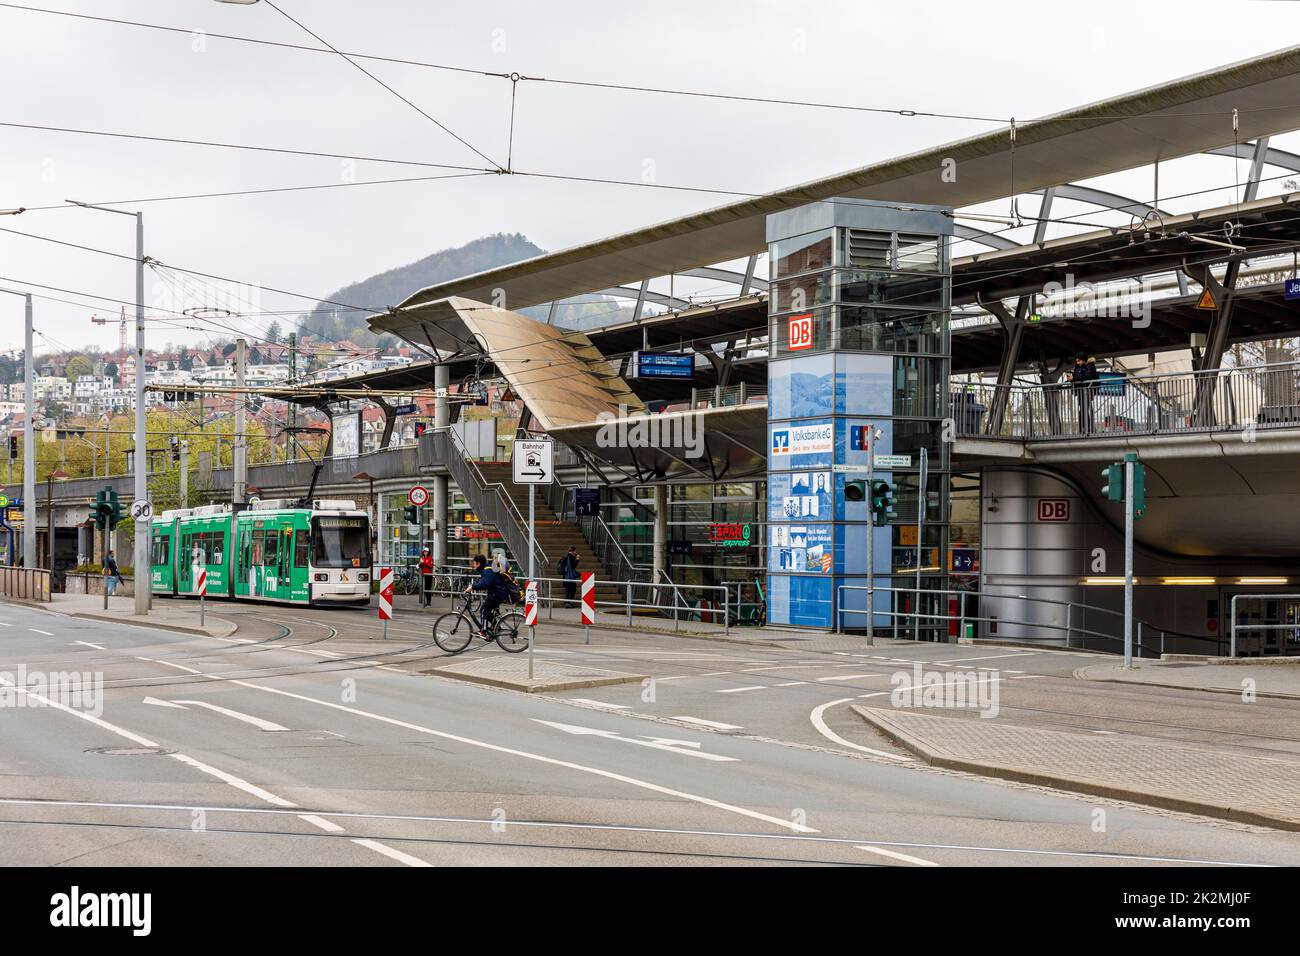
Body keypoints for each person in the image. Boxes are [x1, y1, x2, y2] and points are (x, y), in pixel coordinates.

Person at [466, 553, 511, 637]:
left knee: (484, 610)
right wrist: (475, 584)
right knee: (487, 610)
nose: (473, 565)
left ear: (479, 563)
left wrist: (473, 586)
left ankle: (484, 631)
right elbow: (485, 582)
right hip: (498, 593)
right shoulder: (487, 569)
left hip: (497, 594)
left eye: (474, 563)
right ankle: (497, 626)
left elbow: (486, 584)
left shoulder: (487, 570)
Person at [1068, 354, 1099, 434]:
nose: (1077, 362)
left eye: (1079, 361)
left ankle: (1087, 428)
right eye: (1077, 361)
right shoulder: (1078, 367)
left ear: (1083, 360)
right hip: (1081, 391)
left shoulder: (1090, 366)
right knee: (1082, 410)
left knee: (1083, 410)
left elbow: (1087, 376)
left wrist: (1074, 378)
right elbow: (1078, 376)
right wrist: (1072, 379)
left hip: (1087, 391)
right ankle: (1087, 428)